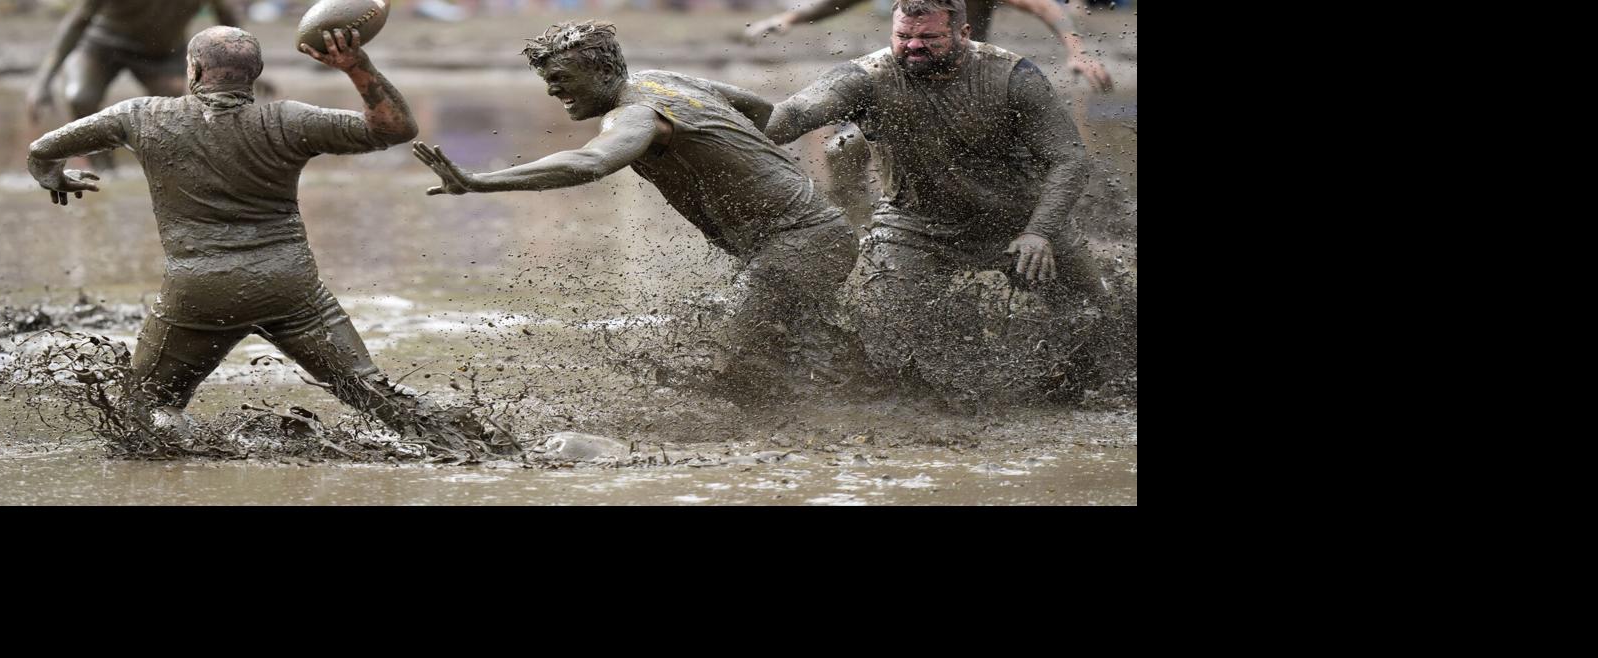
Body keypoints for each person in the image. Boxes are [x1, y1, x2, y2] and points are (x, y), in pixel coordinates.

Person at [26, 26, 484, 445]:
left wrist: (54, 177)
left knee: (145, 410)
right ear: (257, 75)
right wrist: (356, 66)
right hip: (291, 287)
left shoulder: (140, 115)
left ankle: (186, 470)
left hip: (200, 289)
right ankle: (477, 445)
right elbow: (395, 129)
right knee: (373, 393)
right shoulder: (289, 120)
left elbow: (42, 149)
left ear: (194, 70)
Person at [411, 21, 859, 400]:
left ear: (603, 69)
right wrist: (744, 154)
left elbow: (591, 161)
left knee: (733, 362)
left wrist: (477, 182)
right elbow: (759, 108)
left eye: (562, 77)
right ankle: (870, 399)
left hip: (800, 241)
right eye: (547, 79)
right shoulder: (667, 79)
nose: (552, 90)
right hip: (812, 235)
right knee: (789, 344)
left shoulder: (635, 114)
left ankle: (795, 432)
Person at [766, 0, 1118, 399]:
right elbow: (793, 114)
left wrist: (1041, 231)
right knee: (888, 337)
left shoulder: (1011, 76)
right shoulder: (867, 75)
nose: (914, 46)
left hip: (1020, 221)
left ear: (963, 34)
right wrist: (712, 117)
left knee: (1102, 325)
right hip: (913, 225)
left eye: (929, 38)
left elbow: (1069, 158)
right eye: (903, 37)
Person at [746, 0, 1112, 92]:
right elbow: (835, 2)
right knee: (842, 151)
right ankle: (853, 231)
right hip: (908, 73)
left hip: (970, 75)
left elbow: (1045, 6)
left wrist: (1076, 52)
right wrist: (787, 20)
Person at [27, 1, 244, 122]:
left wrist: (242, 68)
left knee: (173, 114)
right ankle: (104, 173)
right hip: (101, 44)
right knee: (80, 97)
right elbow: (77, 22)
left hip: (161, 54)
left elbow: (227, 19)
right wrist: (42, 81)